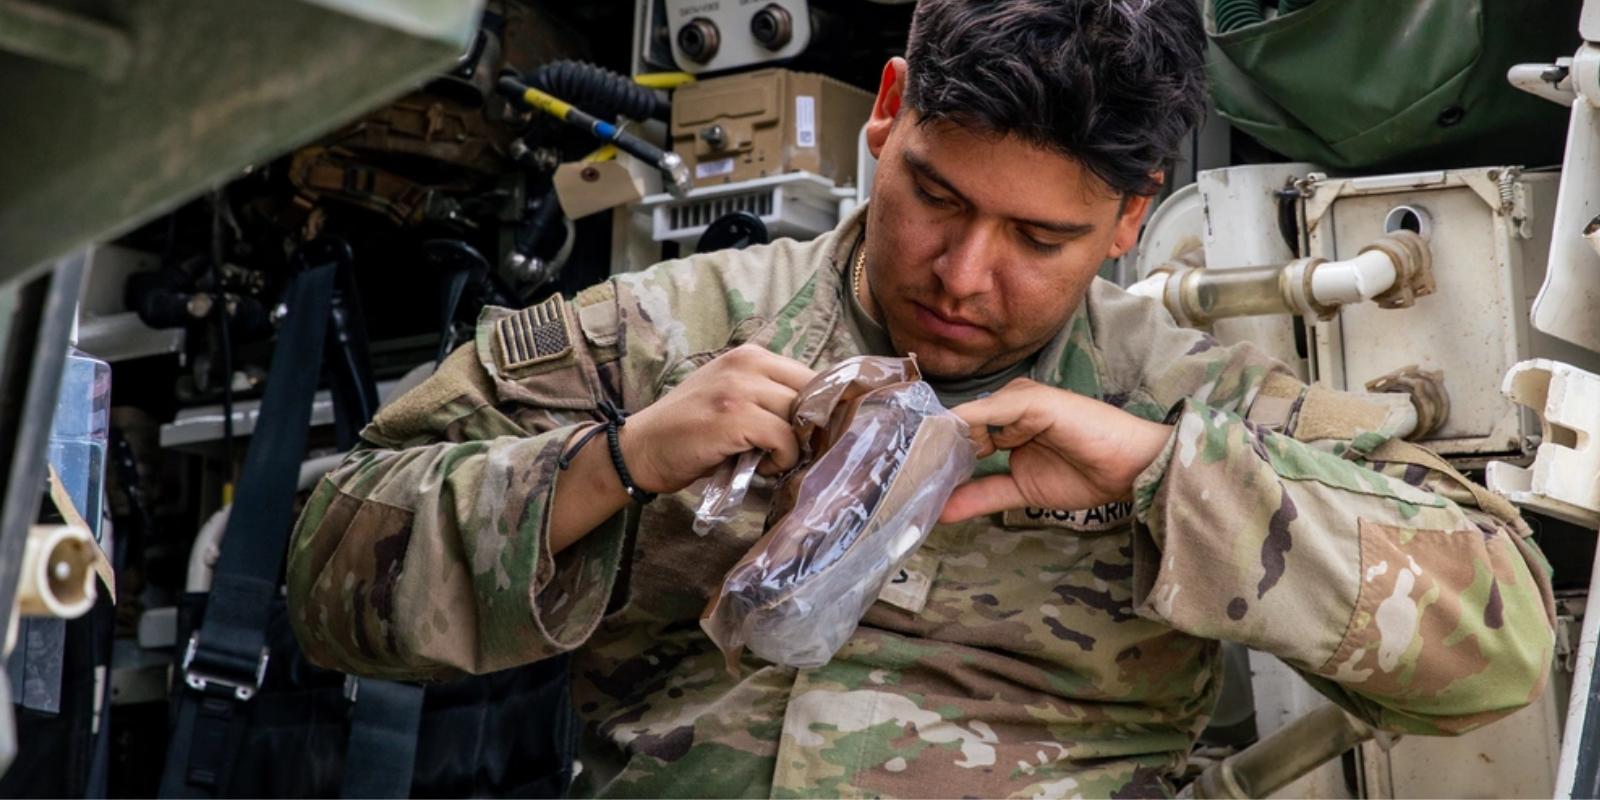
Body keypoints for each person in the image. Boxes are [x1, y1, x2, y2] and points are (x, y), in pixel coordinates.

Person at [286, 0, 1557, 796]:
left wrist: (1162, 476)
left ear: (1128, 219)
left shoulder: (1191, 394)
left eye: (1037, 238)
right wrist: (612, 461)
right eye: (937, 197)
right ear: (887, 116)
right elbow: (326, 578)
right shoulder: (666, 332)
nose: (963, 275)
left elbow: (1495, 644)